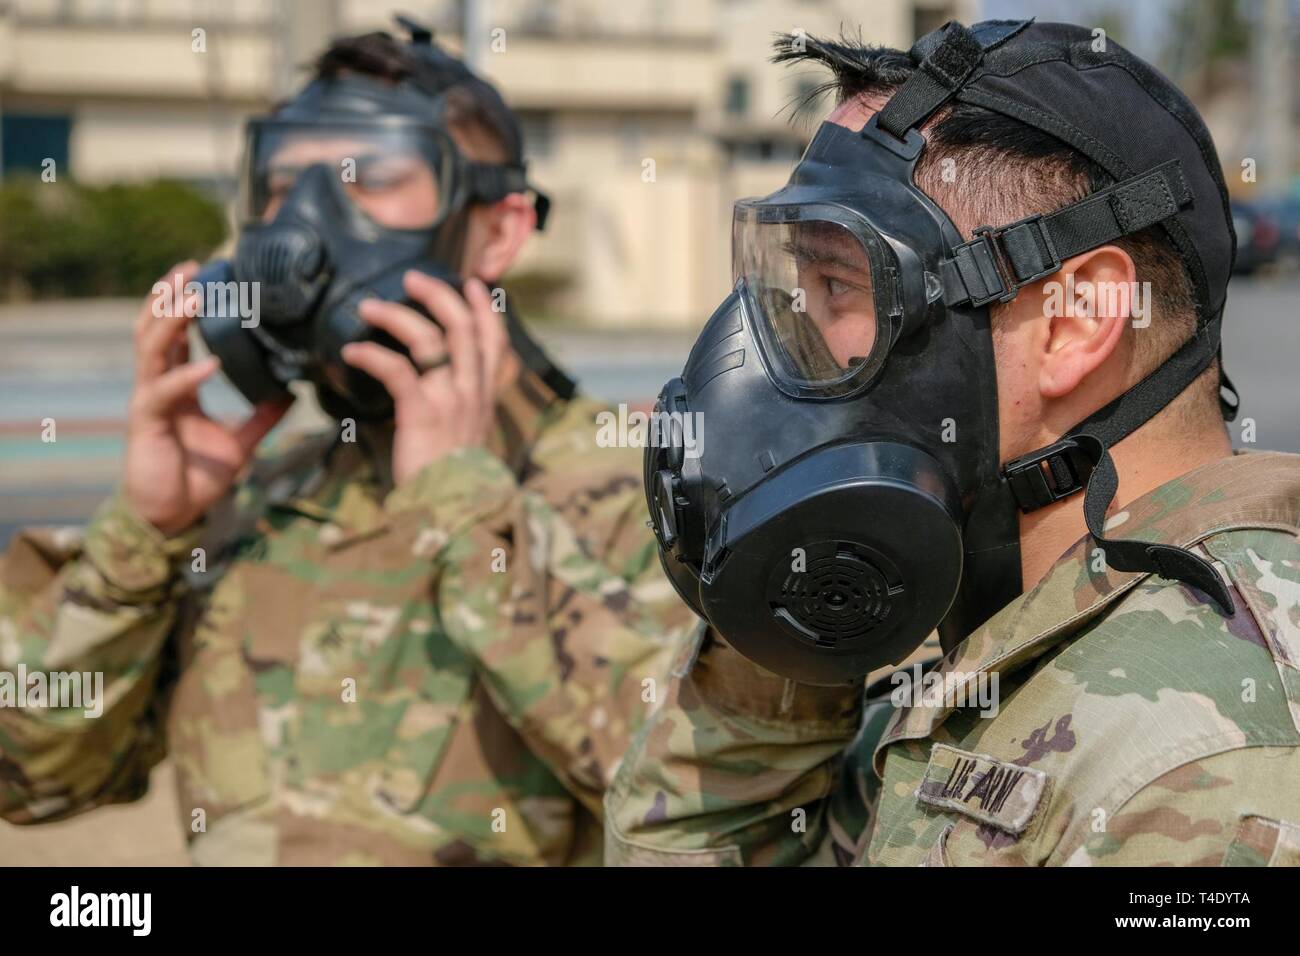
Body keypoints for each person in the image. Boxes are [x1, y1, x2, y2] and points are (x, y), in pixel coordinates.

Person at [606, 20, 1300, 866]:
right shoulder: (1003, 649)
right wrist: (786, 617)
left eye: (838, 285)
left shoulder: (1204, 765)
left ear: (1074, 322)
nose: (785, 345)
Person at [0, 21, 692, 866]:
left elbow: (709, 819)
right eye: (283, 182)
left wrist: (468, 523)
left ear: (501, 230)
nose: (306, 223)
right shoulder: (258, 500)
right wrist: (142, 539)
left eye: (372, 178)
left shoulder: (650, 495)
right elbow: (30, 779)